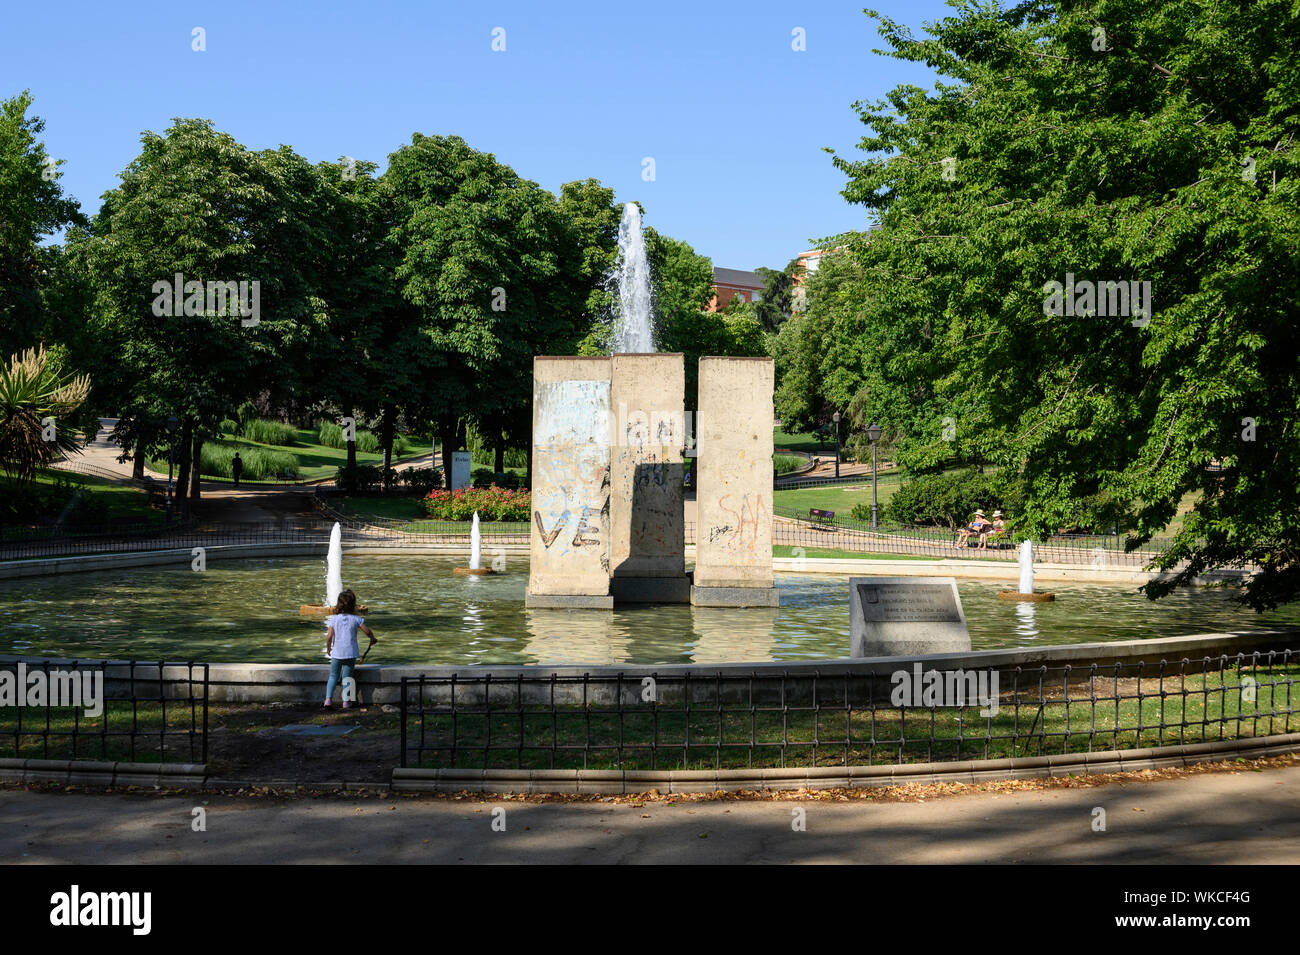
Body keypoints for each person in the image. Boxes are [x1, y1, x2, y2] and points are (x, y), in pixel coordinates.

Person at [324, 589, 376, 709]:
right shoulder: (356, 619)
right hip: (350, 654)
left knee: (333, 676)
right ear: (353, 605)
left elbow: (329, 637)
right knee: (347, 677)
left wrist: (328, 649)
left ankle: (328, 700)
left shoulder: (334, 620)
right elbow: (367, 631)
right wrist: (372, 638)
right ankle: (346, 702)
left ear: (338, 605)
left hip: (337, 654)